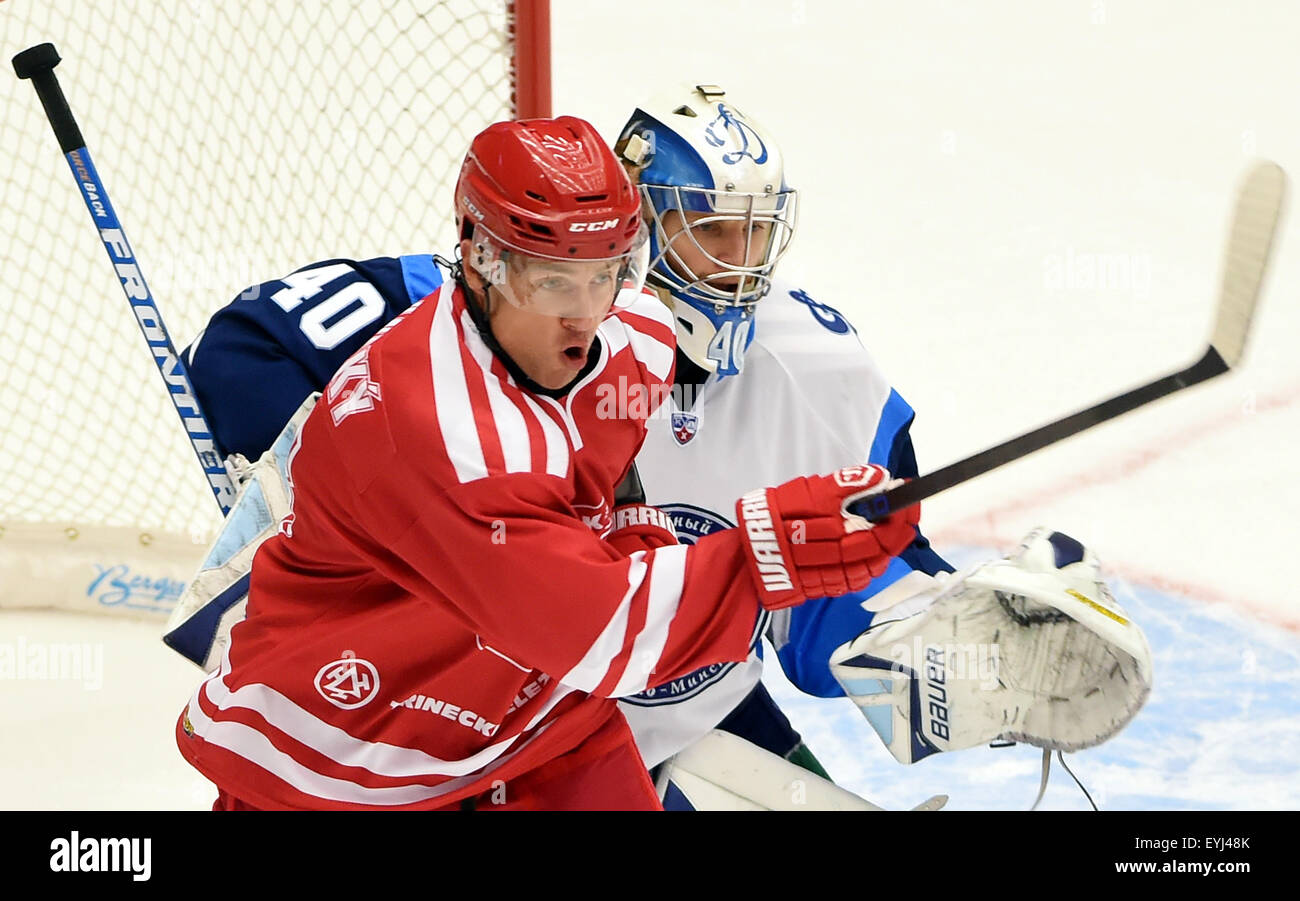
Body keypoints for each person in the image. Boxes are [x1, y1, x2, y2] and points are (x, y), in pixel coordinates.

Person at [175, 91, 1150, 809]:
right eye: (705, 231)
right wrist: (320, 499)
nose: (733, 265)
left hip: (631, 720)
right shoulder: (455, 354)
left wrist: (946, 654)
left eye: (749, 234)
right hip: (392, 720)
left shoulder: (813, 369)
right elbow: (245, 347)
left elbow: (837, 623)